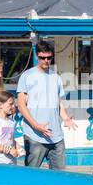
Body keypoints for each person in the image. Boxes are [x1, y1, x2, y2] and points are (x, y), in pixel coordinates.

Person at [17, 41, 75, 170]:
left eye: (49, 57)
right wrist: (35, 125)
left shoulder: (56, 77)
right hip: (34, 136)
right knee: (32, 176)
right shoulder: (27, 76)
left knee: (59, 176)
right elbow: (21, 105)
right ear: (37, 56)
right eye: (43, 58)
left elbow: (58, 102)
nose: (46, 60)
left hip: (56, 136)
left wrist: (65, 118)